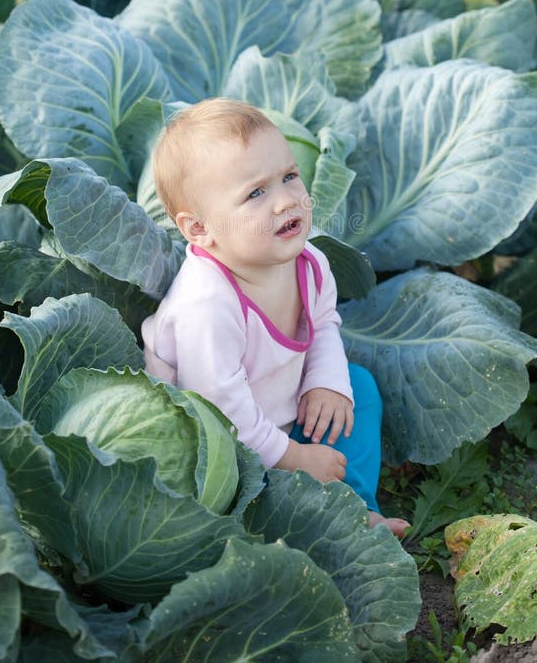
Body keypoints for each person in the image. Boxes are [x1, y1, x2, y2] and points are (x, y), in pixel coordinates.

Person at [141, 97, 409, 537]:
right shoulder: (207, 304)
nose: (286, 201)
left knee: (357, 388)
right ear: (200, 230)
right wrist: (293, 457)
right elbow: (221, 410)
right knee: (241, 492)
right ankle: (296, 515)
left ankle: (356, 509)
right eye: (255, 193)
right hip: (217, 444)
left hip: (279, 410)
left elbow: (324, 326)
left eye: (289, 176)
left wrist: (326, 382)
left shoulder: (309, 263)